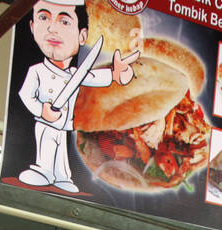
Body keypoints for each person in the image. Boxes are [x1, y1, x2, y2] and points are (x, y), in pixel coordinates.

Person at [16, 0, 137, 193]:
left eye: (64, 22)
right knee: (47, 146)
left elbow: (94, 77)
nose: (52, 28)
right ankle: (43, 171)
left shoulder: (75, 74)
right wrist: (42, 110)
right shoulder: (37, 70)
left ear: (82, 36)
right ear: (32, 27)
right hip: (45, 123)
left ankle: (62, 177)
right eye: (44, 17)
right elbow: (25, 95)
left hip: (64, 126)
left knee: (61, 154)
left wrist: (115, 74)